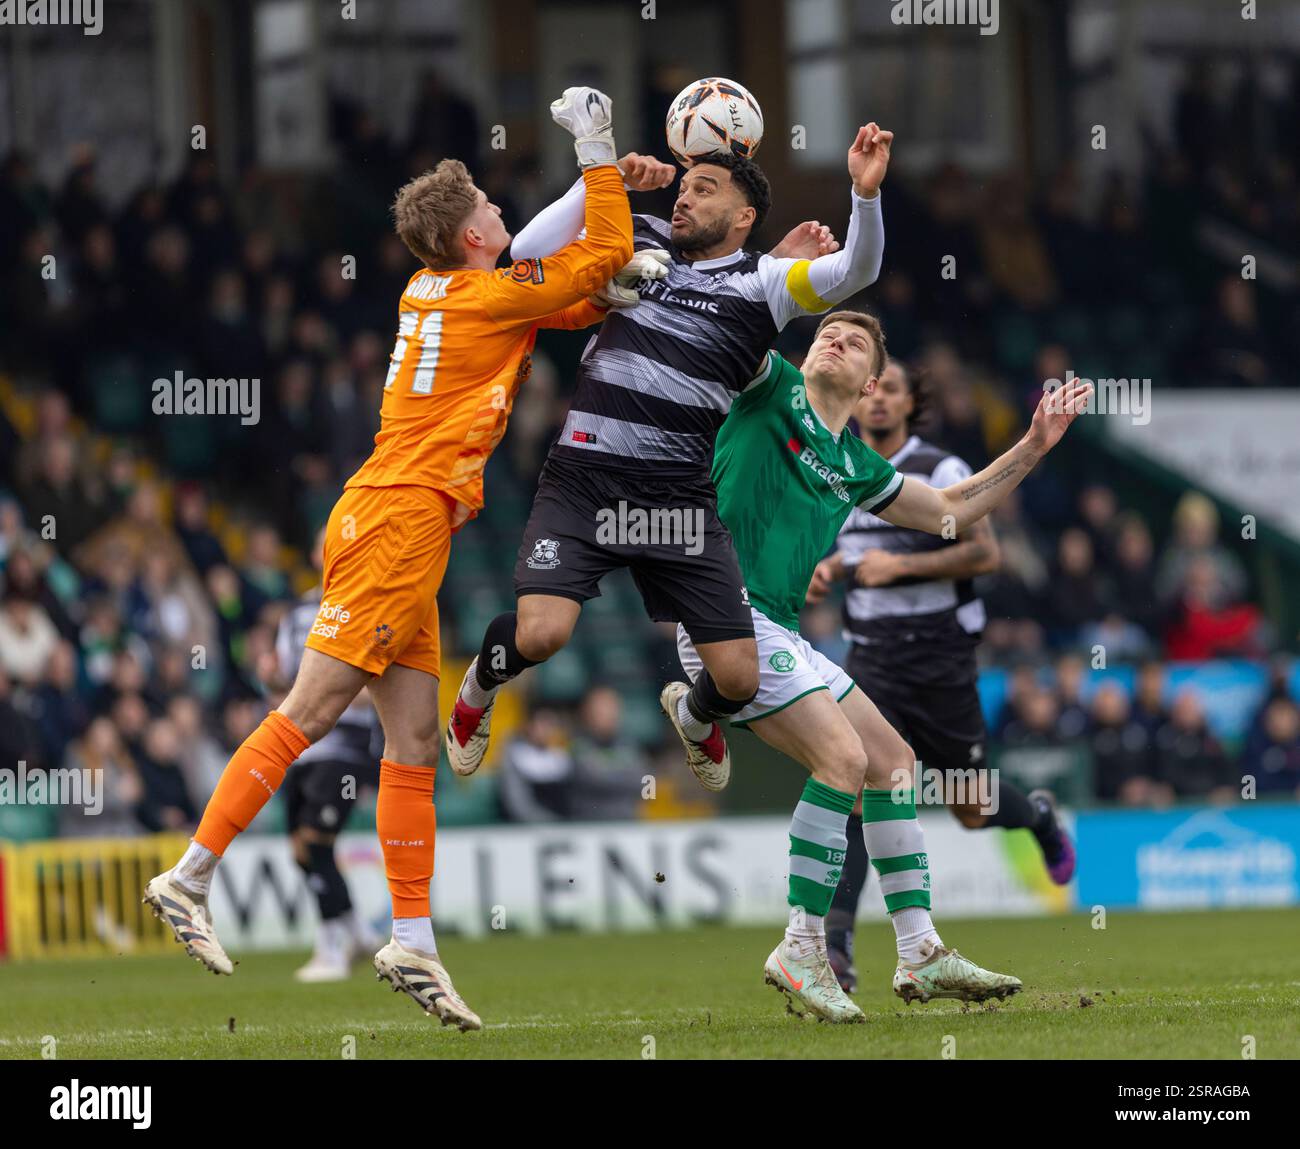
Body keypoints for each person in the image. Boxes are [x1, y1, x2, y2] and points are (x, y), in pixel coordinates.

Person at [144, 87, 649, 1031]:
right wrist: (599, 152)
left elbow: (558, 293)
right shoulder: (482, 291)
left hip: (400, 518)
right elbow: (593, 256)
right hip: (396, 521)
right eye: (491, 212)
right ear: (469, 239)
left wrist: (604, 256)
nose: (504, 215)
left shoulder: (445, 290)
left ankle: (411, 937)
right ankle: (190, 873)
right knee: (311, 707)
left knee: (413, 741)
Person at [445, 123, 895, 798]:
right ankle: (478, 686)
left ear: (743, 217)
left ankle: (694, 711)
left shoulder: (767, 281)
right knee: (540, 637)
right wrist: (605, 185)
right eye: (684, 186)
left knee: (739, 677)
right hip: (584, 479)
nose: (684, 199)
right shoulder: (643, 238)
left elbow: (858, 270)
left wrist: (863, 193)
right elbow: (526, 254)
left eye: (704, 190)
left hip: (678, 496)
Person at [672, 310, 1092, 1021]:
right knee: (841, 759)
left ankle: (920, 949)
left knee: (893, 762)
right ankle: (802, 944)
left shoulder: (856, 465)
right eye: (825, 332)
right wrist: (786, 267)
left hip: (784, 629)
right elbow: (728, 328)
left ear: (871, 382)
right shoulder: (769, 386)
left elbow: (955, 509)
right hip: (725, 619)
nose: (834, 338)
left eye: (855, 339)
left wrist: (1035, 442)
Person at [809, 357, 1075, 993]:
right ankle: (837, 952)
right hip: (871, 657)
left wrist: (897, 570)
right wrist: (828, 569)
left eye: (891, 390)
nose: (877, 401)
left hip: (940, 657)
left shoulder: (941, 470)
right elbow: (847, 548)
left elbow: (985, 552)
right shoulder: (833, 462)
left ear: (909, 404)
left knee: (971, 807)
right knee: (857, 783)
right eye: (871, 388)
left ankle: (1037, 819)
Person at [270, 527, 383, 982]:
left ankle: (330, 948)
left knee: (317, 841)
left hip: (342, 746)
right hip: (298, 746)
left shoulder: (365, 604)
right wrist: (270, 677)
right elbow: (281, 679)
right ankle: (355, 931)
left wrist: (342, 693)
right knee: (302, 850)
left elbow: (379, 681)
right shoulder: (296, 612)